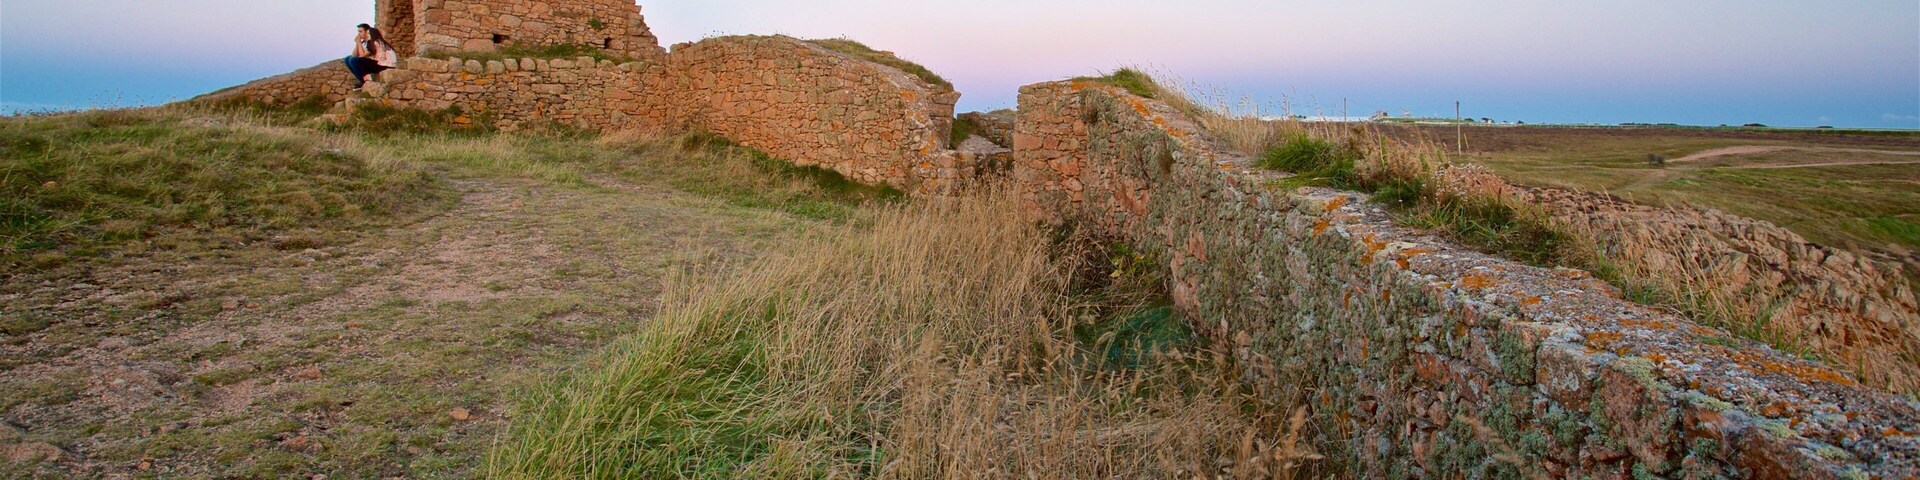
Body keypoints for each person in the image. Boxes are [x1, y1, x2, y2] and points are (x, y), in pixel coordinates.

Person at [343, 24, 398, 88]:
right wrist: (357, 44)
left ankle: (365, 81)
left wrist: (359, 43)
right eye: (358, 32)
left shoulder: (376, 42)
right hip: (379, 63)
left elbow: (361, 56)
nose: (358, 34)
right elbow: (354, 55)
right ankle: (363, 80)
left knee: (354, 60)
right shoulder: (366, 43)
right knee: (347, 59)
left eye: (360, 32)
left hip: (385, 64)